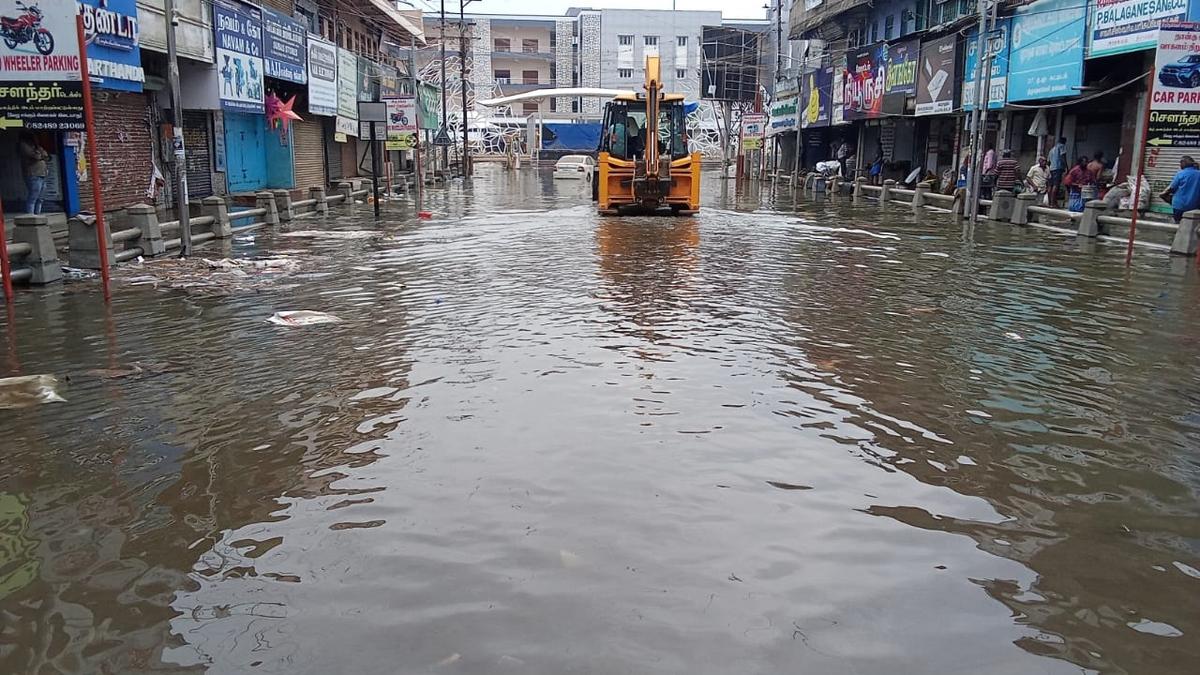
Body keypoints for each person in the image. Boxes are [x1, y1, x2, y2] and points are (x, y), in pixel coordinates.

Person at [1159, 155, 1200, 223]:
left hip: (1180, 206)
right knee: (1193, 225)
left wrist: (1163, 194)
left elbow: (1172, 188)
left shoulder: (1181, 173)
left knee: (1178, 224)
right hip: (1195, 206)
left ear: (1184, 163)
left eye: (1180, 163)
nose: (1180, 165)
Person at [19, 133, 49, 215]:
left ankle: (38, 216)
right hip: (33, 174)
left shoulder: (37, 146)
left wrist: (39, 150)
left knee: (40, 198)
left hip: (43, 174)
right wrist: (40, 153)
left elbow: (46, 156)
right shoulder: (24, 145)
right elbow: (36, 156)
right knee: (33, 197)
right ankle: (31, 217)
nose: (36, 138)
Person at [1048, 136, 1067, 206]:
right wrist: (1066, 167)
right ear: (1064, 141)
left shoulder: (1052, 149)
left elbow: (1048, 161)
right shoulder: (1062, 146)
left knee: (1050, 185)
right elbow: (1063, 157)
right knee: (1056, 185)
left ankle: (1050, 202)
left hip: (1051, 168)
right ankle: (1053, 203)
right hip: (1058, 168)